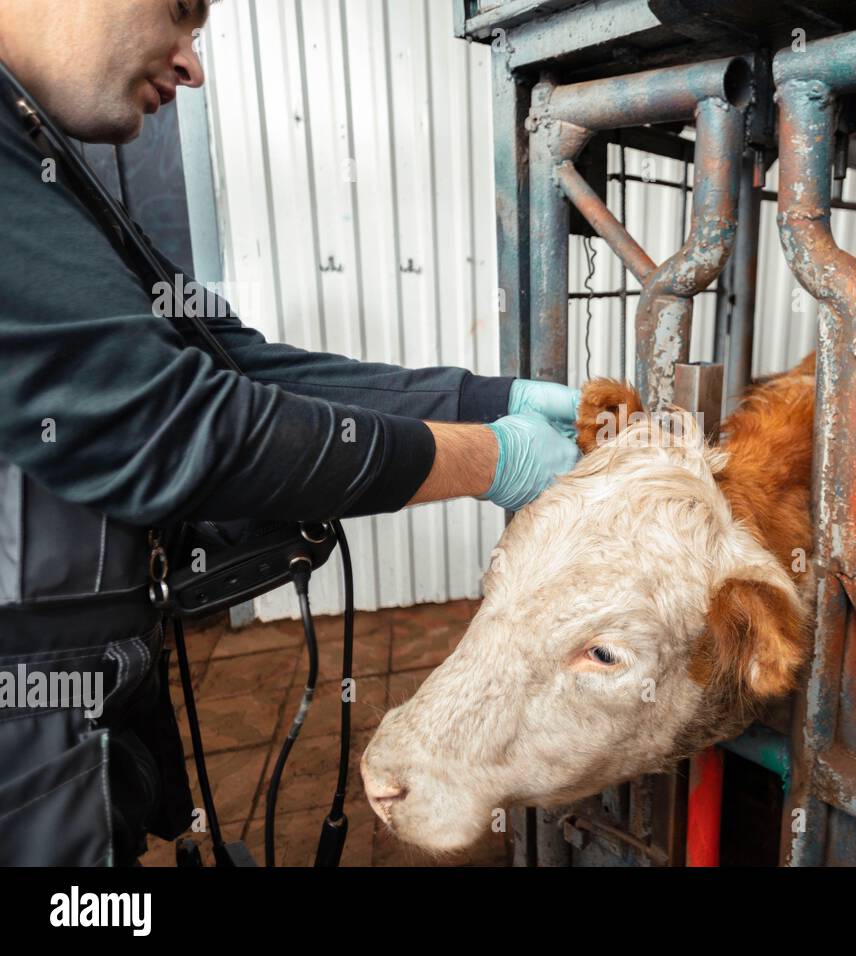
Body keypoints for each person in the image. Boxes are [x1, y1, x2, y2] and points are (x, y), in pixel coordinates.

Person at [0, 0, 579, 864]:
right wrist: (495, 459)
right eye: (180, 11)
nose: (191, 64)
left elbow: (234, 363)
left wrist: (487, 398)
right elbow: (171, 423)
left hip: (72, 699)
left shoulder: (43, 163)